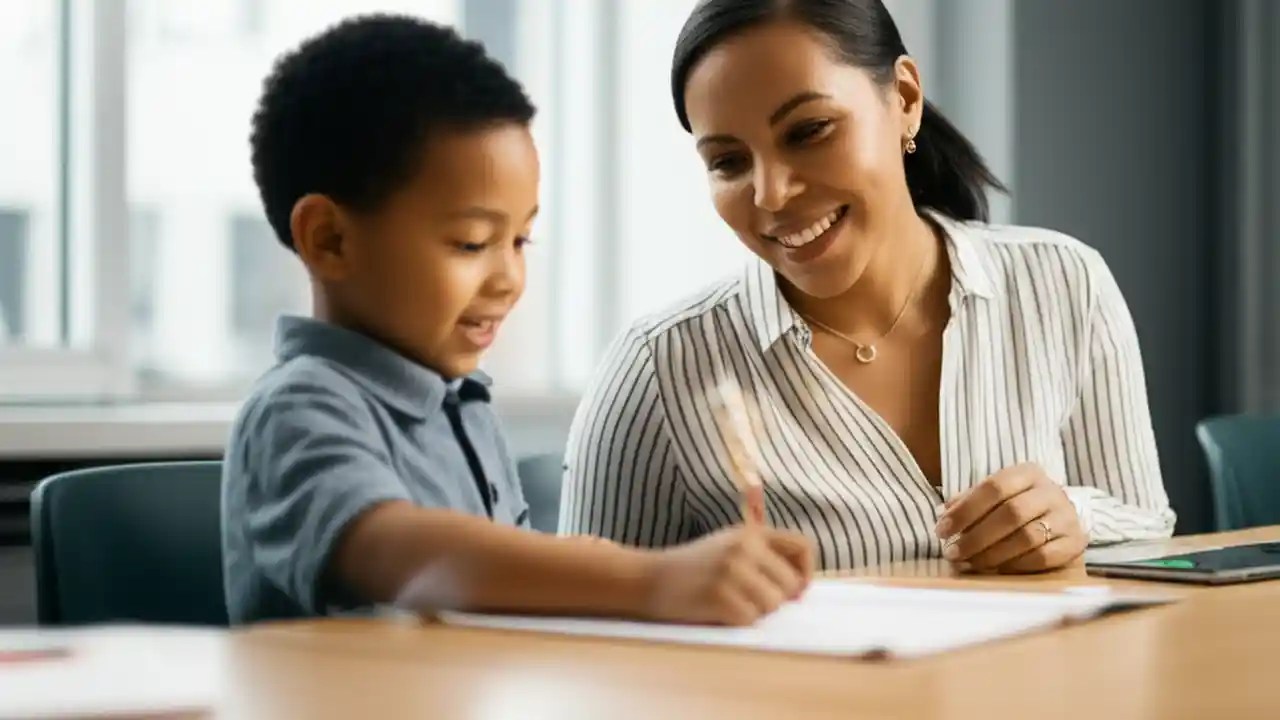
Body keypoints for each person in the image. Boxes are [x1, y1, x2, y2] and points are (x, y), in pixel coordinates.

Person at [221, 15, 812, 625]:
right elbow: (399, 553)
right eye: (473, 243)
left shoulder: (465, 406)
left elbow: (511, 583)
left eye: (520, 240)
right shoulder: (298, 408)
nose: (508, 279)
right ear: (330, 240)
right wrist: (652, 579)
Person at [560, 0, 1174, 574]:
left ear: (904, 97)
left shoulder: (1065, 283)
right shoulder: (659, 369)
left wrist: (1077, 517)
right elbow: (583, 631)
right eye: (729, 161)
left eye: (809, 131)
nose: (771, 194)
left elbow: (1152, 532)